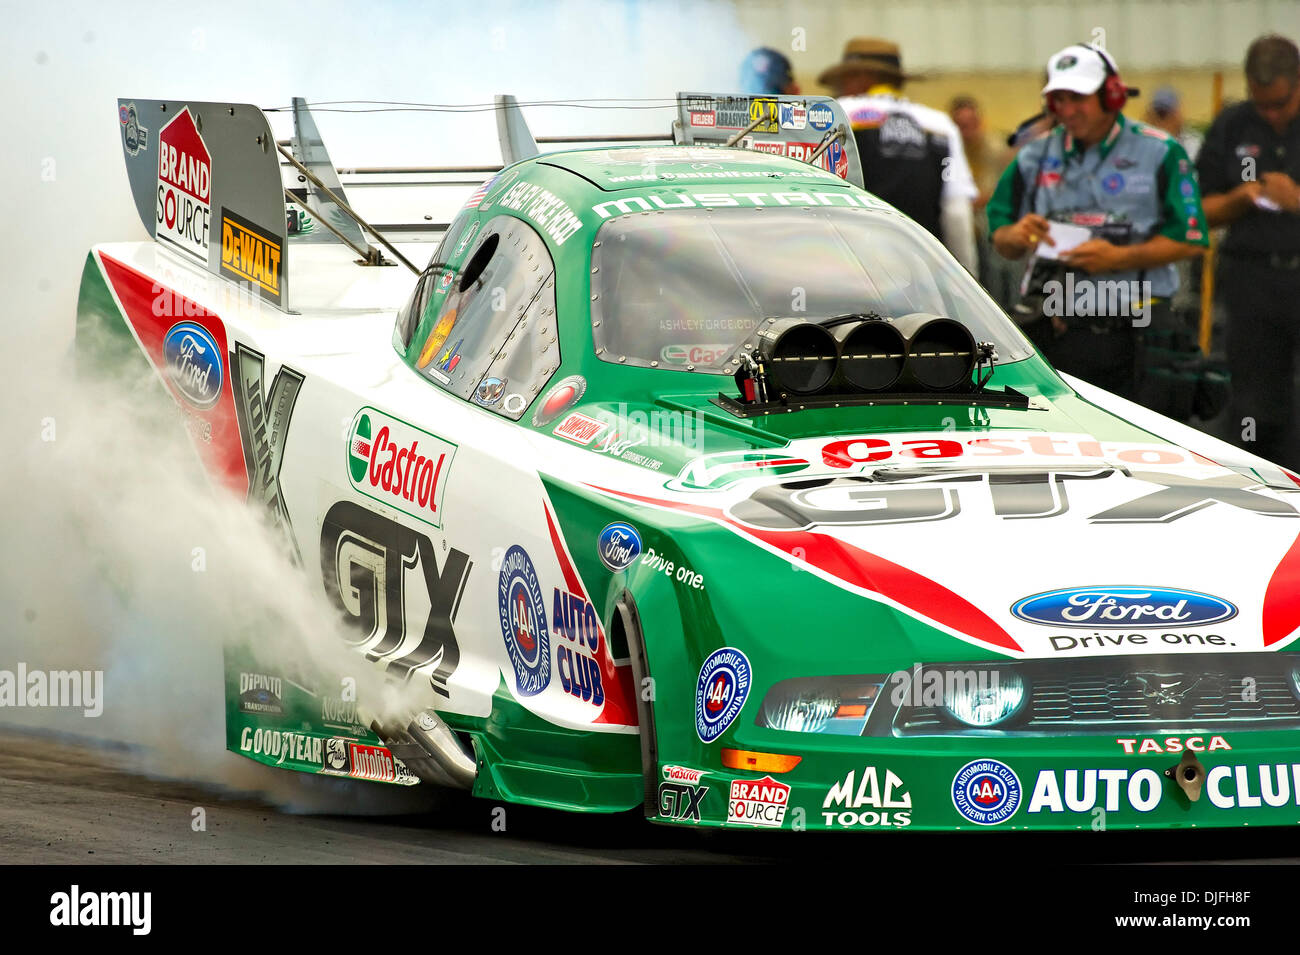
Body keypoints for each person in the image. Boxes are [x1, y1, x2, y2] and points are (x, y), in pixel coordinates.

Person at [987, 43, 1207, 400]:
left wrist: (1117, 259)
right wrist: (1017, 234)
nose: (1068, 110)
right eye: (1059, 99)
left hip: (1141, 333)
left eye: (1078, 98)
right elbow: (1001, 233)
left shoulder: (1161, 151)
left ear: (1111, 95)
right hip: (1058, 333)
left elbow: (1191, 237)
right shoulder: (1034, 154)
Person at [1197, 34, 1300, 468]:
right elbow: (1195, 212)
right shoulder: (1232, 125)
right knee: (1253, 405)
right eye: (1263, 106)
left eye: (1280, 104)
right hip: (1251, 284)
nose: (1271, 115)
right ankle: (1263, 480)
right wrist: (1242, 197)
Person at [818, 37, 978, 273]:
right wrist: (966, 277)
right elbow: (956, 213)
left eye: (845, 77)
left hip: (849, 269)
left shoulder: (833, 115)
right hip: (920, 275)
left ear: (862, 76)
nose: (839, 87)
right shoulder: (940, 125)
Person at [951, 95, 1020, 308]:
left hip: (990, 224)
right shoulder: (951, 149)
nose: (967, 131)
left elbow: (1004, 189)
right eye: (961, 126)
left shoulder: (997, 149)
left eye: (971, 124)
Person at [1145, 87, 1204, 161]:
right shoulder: (1142, 145)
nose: (1161, 121)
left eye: (1164, 114)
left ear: (1178, 115)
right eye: (1158, 113)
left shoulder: (1194, 145)